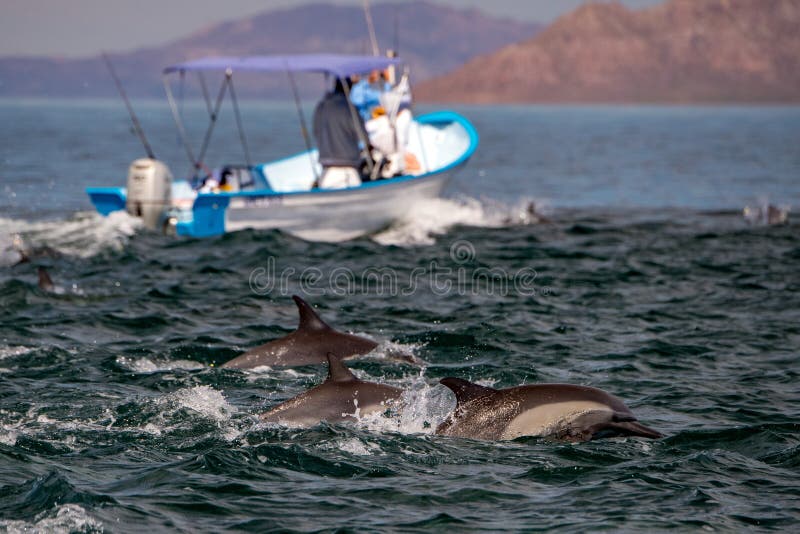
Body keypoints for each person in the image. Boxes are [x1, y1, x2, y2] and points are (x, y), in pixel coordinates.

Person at [312, 77, 371, 189]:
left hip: (326, 172)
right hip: (349, 171)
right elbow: (363, 137)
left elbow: (316, 132)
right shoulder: (350, 109)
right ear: (349, 89)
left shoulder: (321, 107)